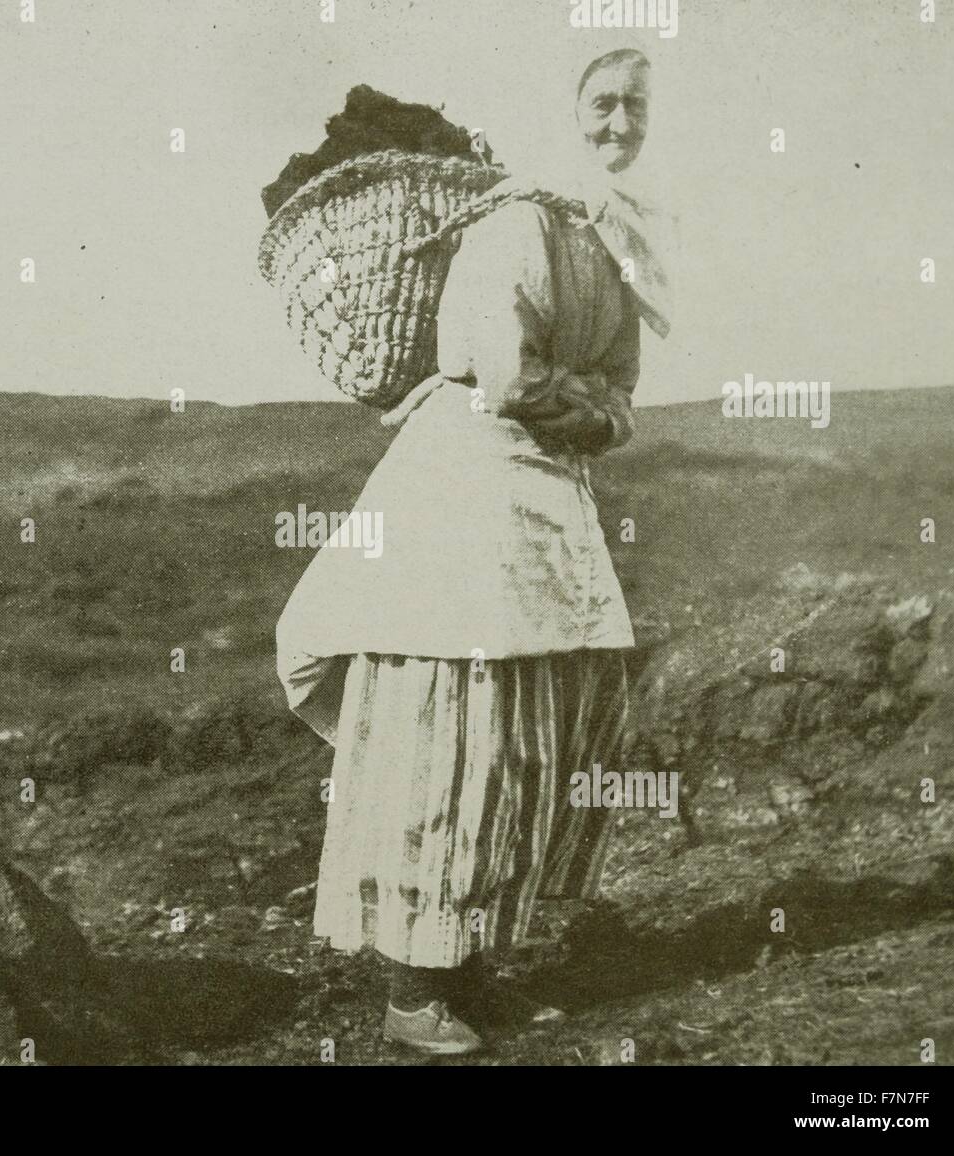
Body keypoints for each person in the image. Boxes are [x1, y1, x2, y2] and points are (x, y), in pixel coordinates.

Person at [276, 48, 672, 1056]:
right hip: (462, 495)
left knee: (523, 741)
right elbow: (500, 372)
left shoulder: (618, 239)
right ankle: (413, 994)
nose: (618, 120)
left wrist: (584, 408)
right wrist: (579, 405)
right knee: (447, 736)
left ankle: (472, 971)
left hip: (544, 504)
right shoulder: (514, 222)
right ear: (564, 112)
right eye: (600, 102)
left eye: (634, 105)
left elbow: (622, 390)